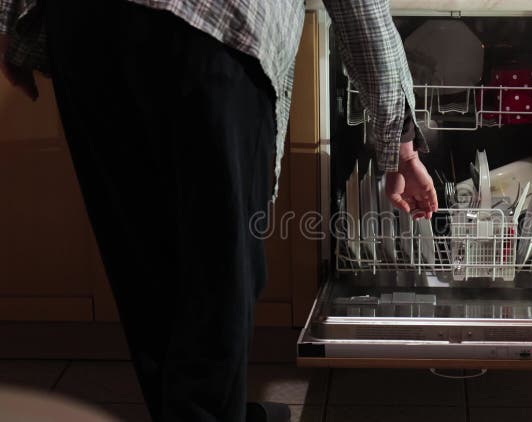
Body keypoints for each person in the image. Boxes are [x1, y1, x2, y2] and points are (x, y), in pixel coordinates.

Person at [0, 0, 438, 421]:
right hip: (208, 31)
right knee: (219, 278)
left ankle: (200, 413)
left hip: (85, 27)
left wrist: (11, 27)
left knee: (143, 265)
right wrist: (400, 145)